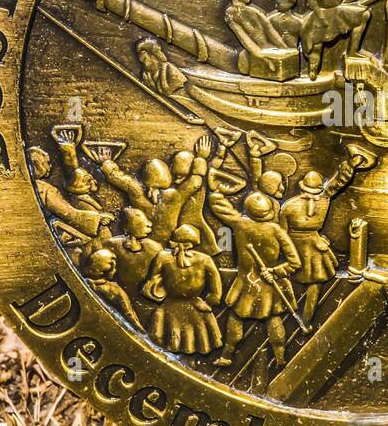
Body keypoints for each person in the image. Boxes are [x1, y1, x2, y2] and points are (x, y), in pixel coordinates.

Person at [208, 189, 301, 379]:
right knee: (272, 318)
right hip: (266, 283)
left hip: (248, 283)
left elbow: (218, 205)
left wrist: (216, 189)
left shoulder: (240, 223)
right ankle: (281, 357)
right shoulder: (276, 230)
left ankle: (228, 356)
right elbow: (295, 263)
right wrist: (276, 272)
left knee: (237, 317)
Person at [281, 149, 370, 324]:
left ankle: (292, 314)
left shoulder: (289, 206)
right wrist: (351, 164)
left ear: (301, 187)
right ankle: (307, 318)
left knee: (291, 277)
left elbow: (282, 233)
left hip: (295, 246)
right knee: (316, 283)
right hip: (315, 247)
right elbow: (338, 183)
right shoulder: (324, 199)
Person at [144, 224, 223, 354]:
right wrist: (209, 302)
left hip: (171, 307)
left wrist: (156, 293)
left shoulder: (163, 257)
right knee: (199, 342)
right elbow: (216, 290)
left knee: (169, 340)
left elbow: (153, 284)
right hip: (196, 307)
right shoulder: (204, 259)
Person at [29, 146, 111, 239]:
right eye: (47, 163)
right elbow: (69, 214)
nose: (50, 166)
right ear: (37, 165)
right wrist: (98, 219)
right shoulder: (45, 190)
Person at [108, 206, 162, 292]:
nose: (149, 224)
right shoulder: (113, 245)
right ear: (126, 228)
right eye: (140, 223)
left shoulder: (154, 248)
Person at [81, 248, 140, 325]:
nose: (89, 270)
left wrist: (139, 329)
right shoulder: (115, 290)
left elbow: (130, 315)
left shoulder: (115, 290)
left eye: (92, 268)